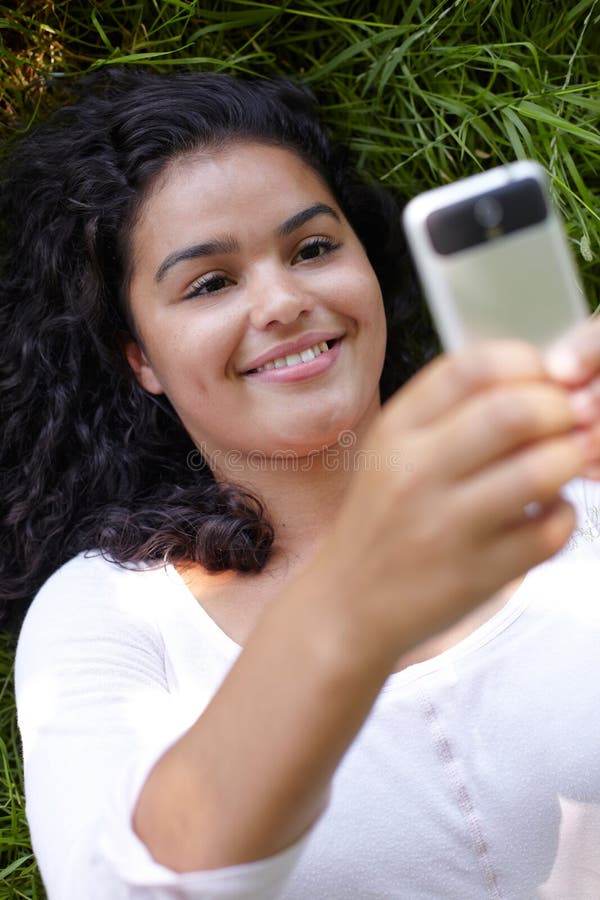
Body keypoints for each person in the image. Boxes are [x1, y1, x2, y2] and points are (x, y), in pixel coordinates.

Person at [3, 67, 600, 899]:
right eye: (211, 283)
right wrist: (357, 604)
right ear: (139, 357)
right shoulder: (107, 618)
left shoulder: (579, 479)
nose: (283, 300)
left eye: (314, 248)